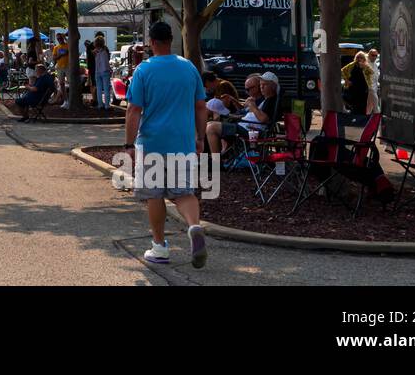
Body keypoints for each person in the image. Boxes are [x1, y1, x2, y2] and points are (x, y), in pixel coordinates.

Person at [124, 21, 208, 268]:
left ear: (151, 43)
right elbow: (201, 106)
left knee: (154, 195)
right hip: (183, 141)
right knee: (184, 193)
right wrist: (200, 137)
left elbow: (133, 109)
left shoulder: (143, 69)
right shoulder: (188, 68)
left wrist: (129, 144)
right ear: (171, 41)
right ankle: (194, 226)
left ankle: (159, 247)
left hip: (152, 142)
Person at [204, 72, 277, 157]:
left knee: (211, 128)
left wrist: (252, 106)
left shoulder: (272, 100)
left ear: (273, 86)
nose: (262, 87)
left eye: (265, 85)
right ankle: (214, 160)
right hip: (244, 125)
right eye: (261, 84)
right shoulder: (266, 99)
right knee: (208, 125)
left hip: (250, 130)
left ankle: (216, 164)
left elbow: (264, 119)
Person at [92, 36, 113, 110]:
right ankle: (107, 105)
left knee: (99, 89)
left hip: (97, 71)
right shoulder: (105, 50)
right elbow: (107, 61)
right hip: (105, 70)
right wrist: (110, 69)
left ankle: (100, 104)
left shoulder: (94, 52)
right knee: (106, 89)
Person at [52, 33, 71, 108]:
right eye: (58, 39)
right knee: (61, 84)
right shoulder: (56, 47)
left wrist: (65, 38)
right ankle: (65, 101)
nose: (59, 40)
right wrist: (60, 55)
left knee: (70, 83)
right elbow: (54, 58)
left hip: (68, 66)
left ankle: (71, 100)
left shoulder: (67, 45)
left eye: (60, 38)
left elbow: (71, 46)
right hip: (60, 67)